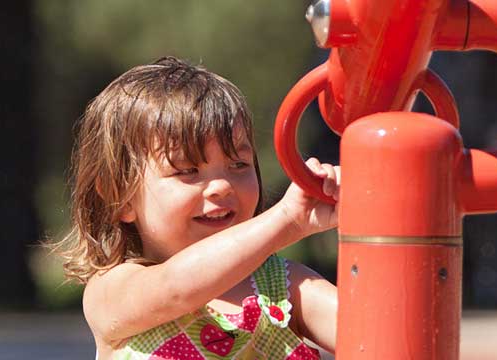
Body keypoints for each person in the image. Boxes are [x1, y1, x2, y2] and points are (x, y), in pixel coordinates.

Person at [48, 57, 339, 359]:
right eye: (187, 171)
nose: (222, 186)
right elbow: (176, 288)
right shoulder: (111, 290)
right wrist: (286, 220)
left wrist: (370, 209)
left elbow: (376, 333)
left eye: (239, 164)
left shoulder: (284, 285)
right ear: (119, 198)